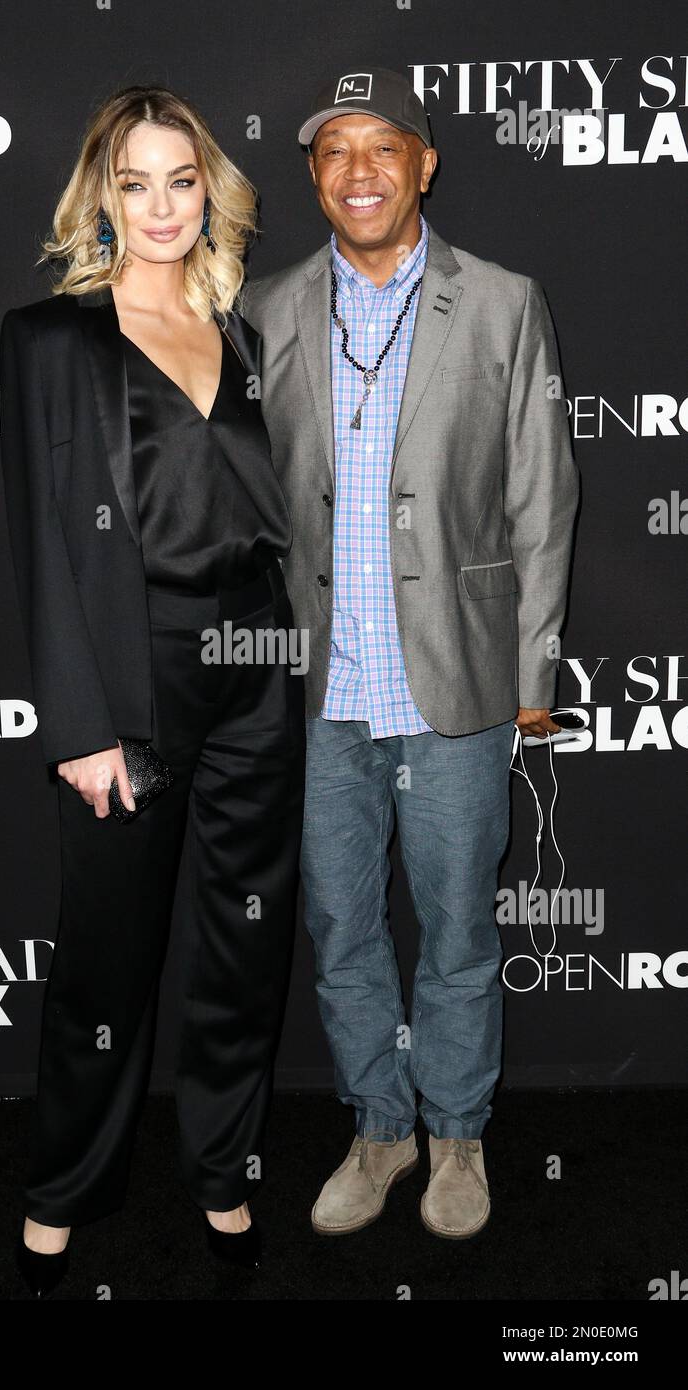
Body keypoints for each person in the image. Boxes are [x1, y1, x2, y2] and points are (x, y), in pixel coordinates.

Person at [240, 66, 579, 1240]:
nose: (360, 171)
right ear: (313, 177)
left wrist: (533, 680)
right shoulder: (267, 308)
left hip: (462, 685)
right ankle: (378, 1129)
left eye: (383, 146)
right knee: (338, 931)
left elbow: (541, 497)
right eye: (334, 151)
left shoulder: (499, 301)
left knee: (456, 930)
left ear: (424, 162)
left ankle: (456, 1138)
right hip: (323, 693)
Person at [0, 85, 305, 1295]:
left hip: (255, 671)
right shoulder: (51, 338)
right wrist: (80, 724)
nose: (163, 204)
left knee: (244, 946)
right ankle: (65, 1184)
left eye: (183, 179)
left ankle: (223, 1168)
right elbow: (39, 544)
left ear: (209, 191)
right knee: (104, 961)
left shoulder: (248, 335)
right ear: (102, 196)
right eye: (136, 181)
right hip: (131, 679)